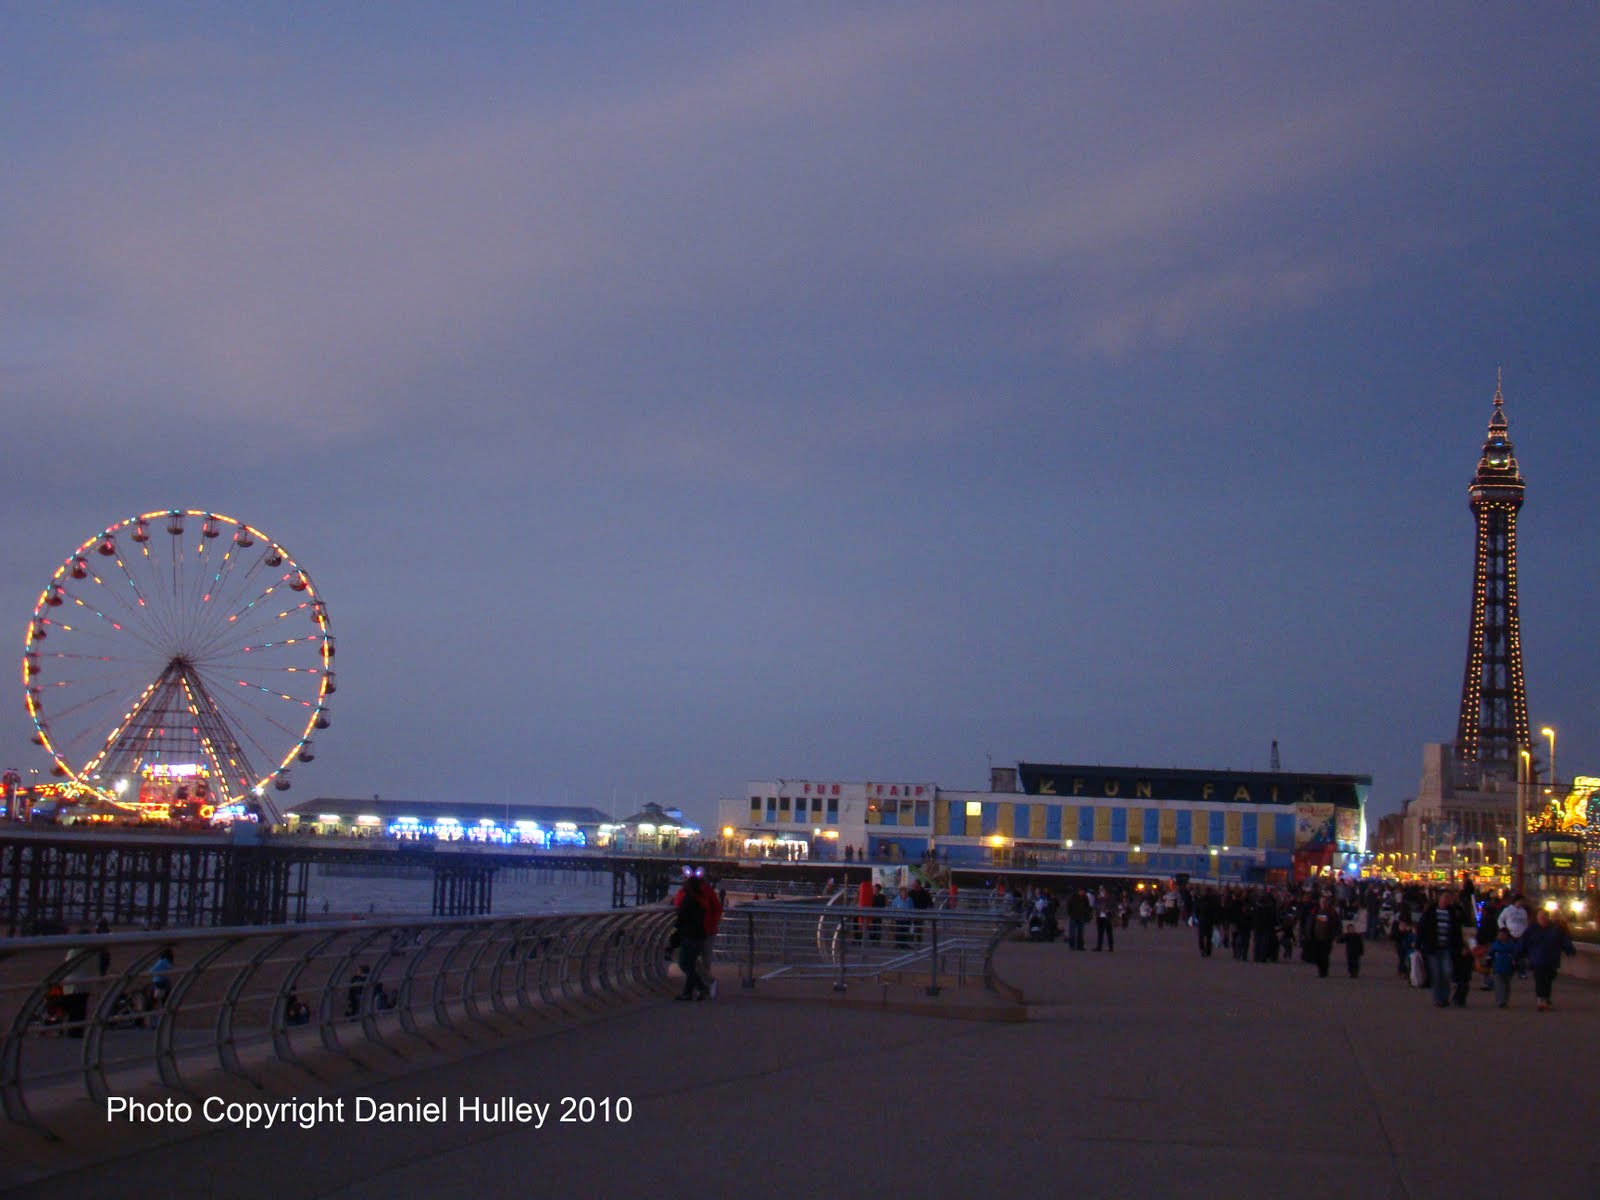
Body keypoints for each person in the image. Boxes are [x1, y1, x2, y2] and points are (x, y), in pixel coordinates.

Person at [1417, 890, 1468, 1007]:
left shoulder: (1452, 913)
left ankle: (1444, 997)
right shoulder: (1431, 911)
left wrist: (1461, 946)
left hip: (1446, 948)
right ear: (1439, 898)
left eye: (1448, 898)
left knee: (1447, 972)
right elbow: (1422, 928)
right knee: (1436, 974)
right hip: (1433, 948)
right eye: (1444, 897)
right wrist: (1418, 944)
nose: (1446, 900)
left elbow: (1457, 932)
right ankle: (1438, 998)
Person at [1521, 908, 1577, 1011]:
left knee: (1548, 979)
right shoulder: (1532, 929)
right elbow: (1523, 942)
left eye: (1544, 917)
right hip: (1537, 959)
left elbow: (1564, 941)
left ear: (1548, 917)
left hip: (1551, 960)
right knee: (1540, 979)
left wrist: (1570, 950)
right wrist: (1517, 954)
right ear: (1537, 918)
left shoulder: (1555, 929)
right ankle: (1541, 1000)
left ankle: (1545, 998)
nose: (1542, 919)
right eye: (1540, 917)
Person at [672, 872, 714, 1001]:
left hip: (690, 935)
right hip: (700, 934)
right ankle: (689, 992)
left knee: (685, 964)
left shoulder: (689, 899)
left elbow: (682, 917)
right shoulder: (701, 899)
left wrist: (676, 929)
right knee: (690, 964)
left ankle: (701, 988)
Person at [1484, 926, 1520, 1008]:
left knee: (1506, 985)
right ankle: (1500, 1001)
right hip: (1497, 968)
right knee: (1499, 985)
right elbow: (1490, 954)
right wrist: (1488, 963)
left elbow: (1516, 956)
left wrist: (1516, 964)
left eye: (1503, 935)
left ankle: (1505, 1000)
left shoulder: (1511, 945)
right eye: (1500, 935)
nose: (1501, 936)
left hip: (1508, 969)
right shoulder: (1495, 945)